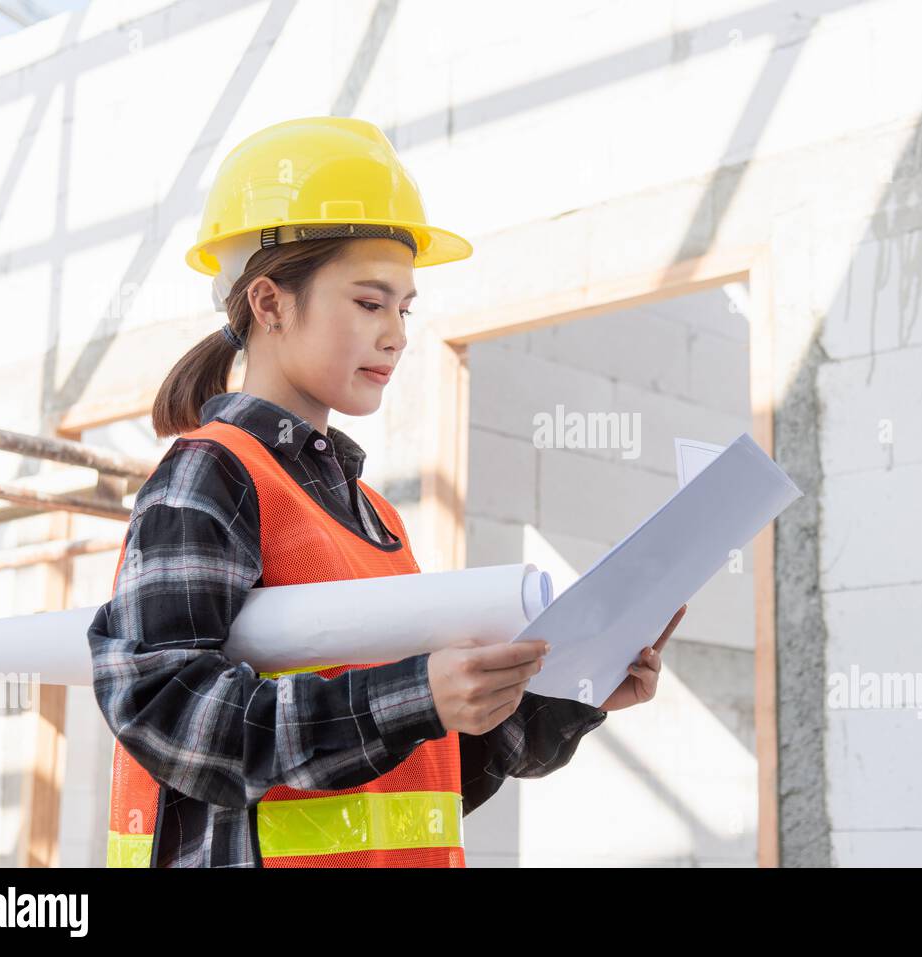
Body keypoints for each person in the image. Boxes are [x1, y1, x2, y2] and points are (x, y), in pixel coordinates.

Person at [88, 116, 685, 868]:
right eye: (371, 303)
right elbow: (166, 709)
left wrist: (577, 690)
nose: (397, 333)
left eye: (405, 307)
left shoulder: (375, 518)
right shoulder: (209, 476)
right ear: (270, 303)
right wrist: (416, 695)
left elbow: (422, 768)